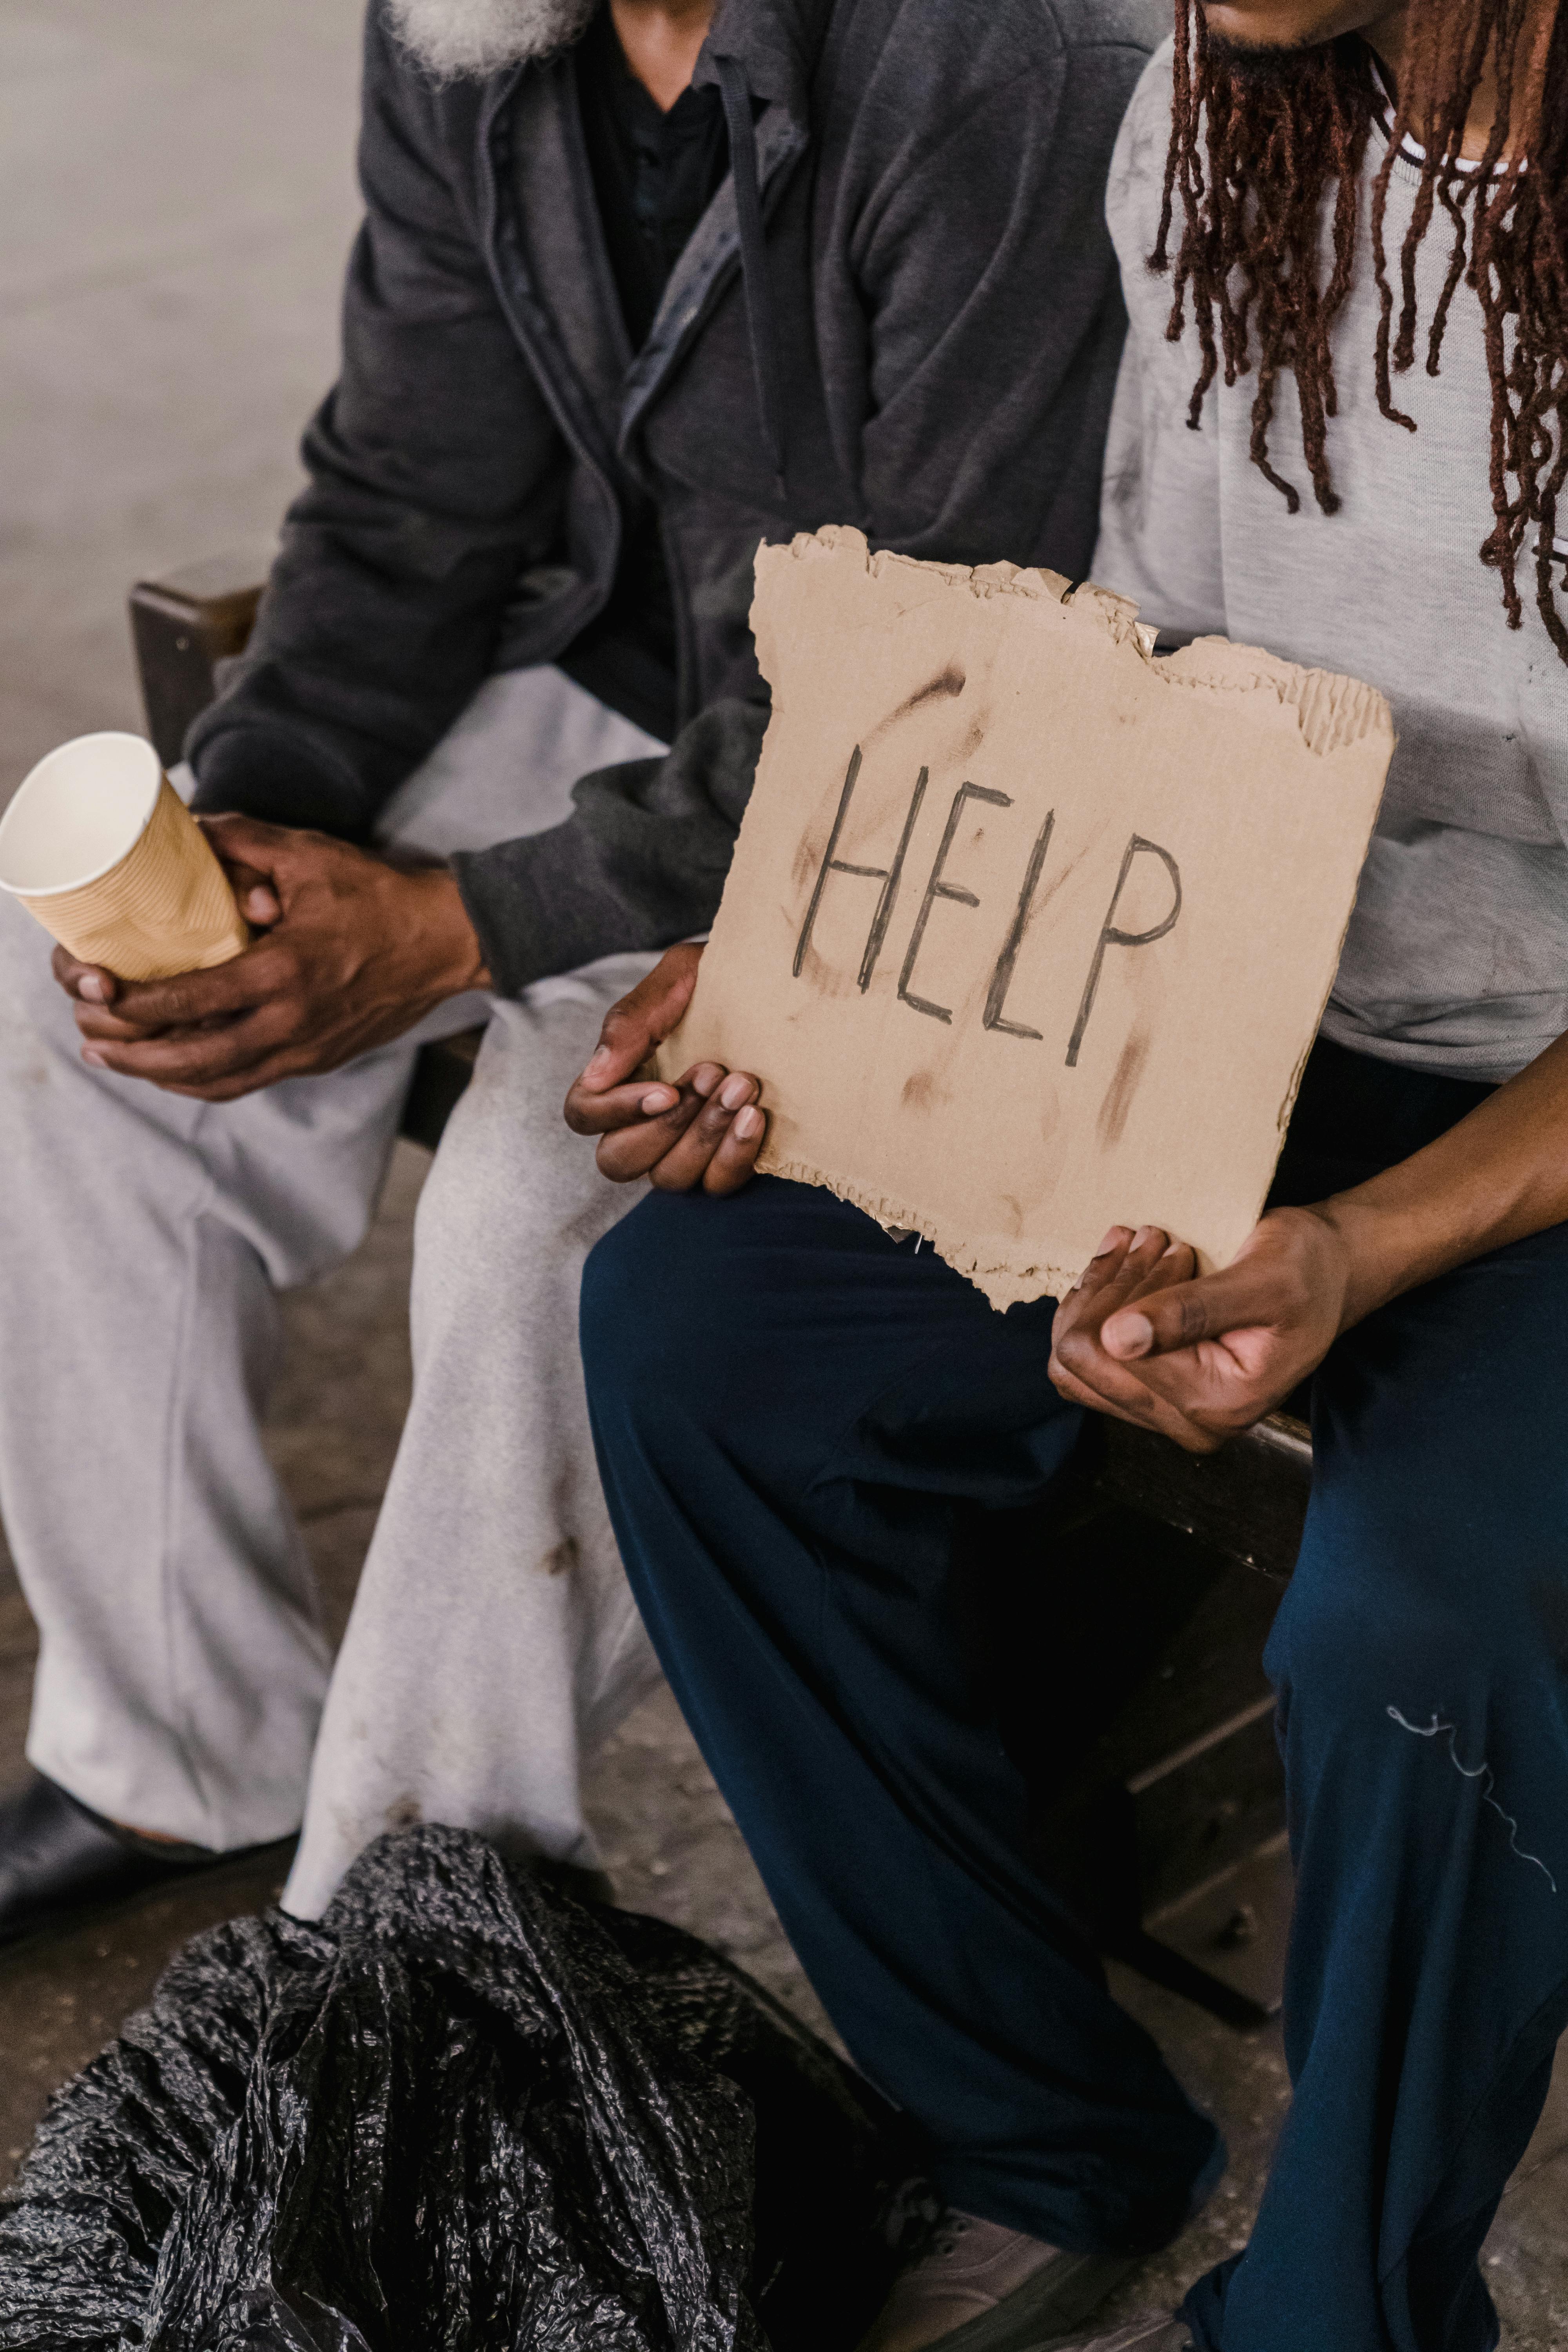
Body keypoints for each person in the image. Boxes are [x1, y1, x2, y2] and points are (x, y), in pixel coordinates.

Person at [576, 0, 1568, 2340]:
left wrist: (1357, 1242)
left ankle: (1343, 2311)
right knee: (697, 1346)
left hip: (1538, 1105)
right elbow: (1148, 676)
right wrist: (824, 960)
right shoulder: (1220, 117)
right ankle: (1037, 2130)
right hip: (1257, 984)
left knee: (1425, 1633)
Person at [0, 0, 1158, 1940]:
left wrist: (465, 925)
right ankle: (181, 1744)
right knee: (70, 1025)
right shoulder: (471, 23)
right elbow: (409, 491)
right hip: (628, 692)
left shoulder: (1002, 68)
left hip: (935, 790)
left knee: (548, 1199)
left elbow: (964, 683)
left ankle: (397, 1941)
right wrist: (257, 834)